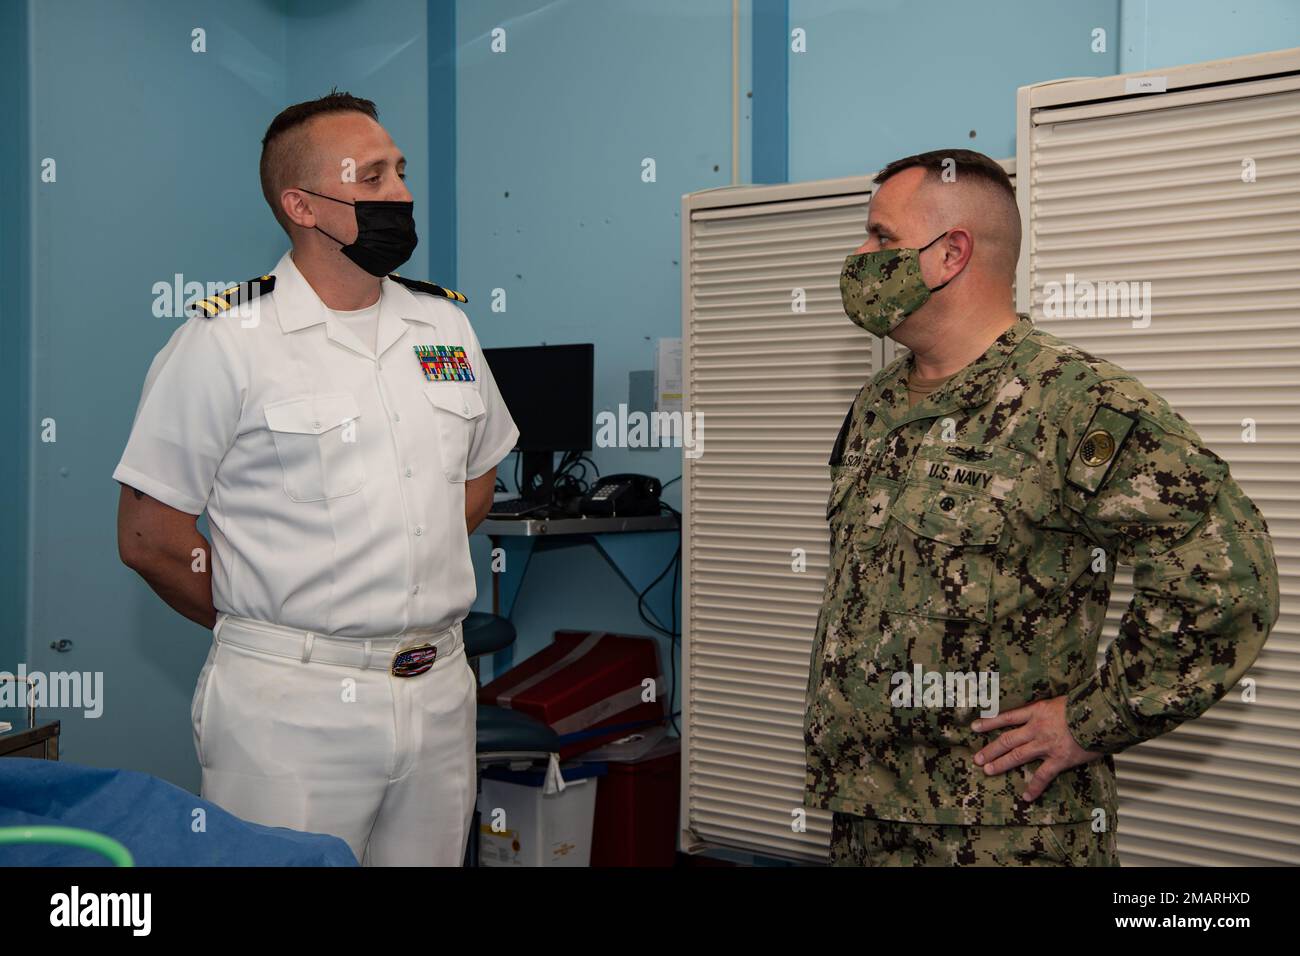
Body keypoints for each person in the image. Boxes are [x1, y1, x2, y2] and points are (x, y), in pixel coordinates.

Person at [804, 148, 1279, 866]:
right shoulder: (877, 405)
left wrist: (1092, 720)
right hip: (865, 817)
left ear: (950, 253)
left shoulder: (1073, 401)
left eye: (881, 238)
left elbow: (1227, 581)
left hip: (1002, 833)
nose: (860, 257)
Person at [114, 91, 518, 866]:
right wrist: (268, 624)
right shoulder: (226, 340)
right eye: (370, 178)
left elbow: (474, 479)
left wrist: (393, 578)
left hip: (438, 689)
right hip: (290, 707)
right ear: (302, 204)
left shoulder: (444, 326)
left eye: (399, 171)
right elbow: (150, 538)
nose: (399, 192)